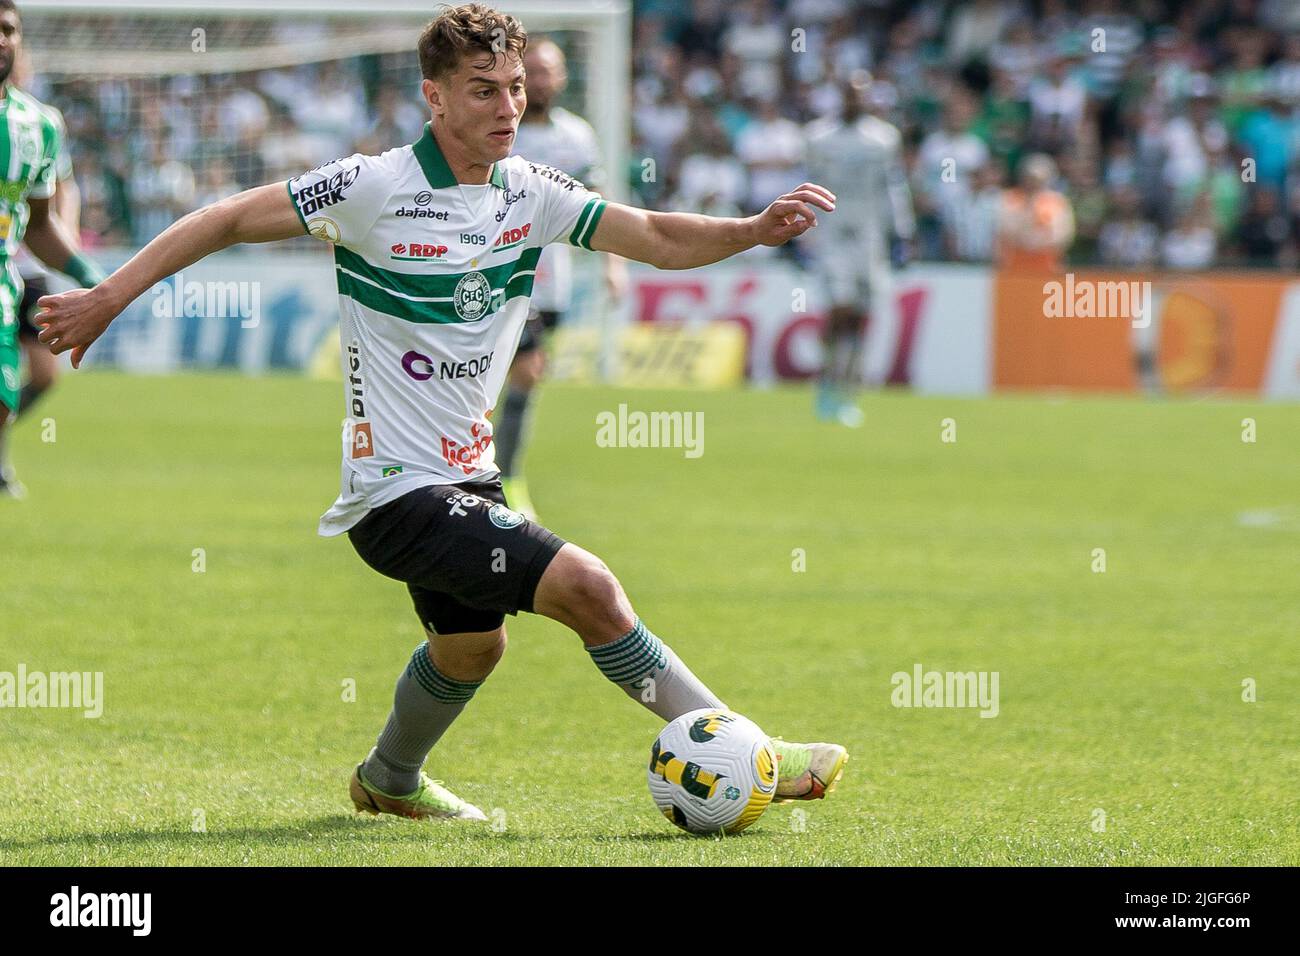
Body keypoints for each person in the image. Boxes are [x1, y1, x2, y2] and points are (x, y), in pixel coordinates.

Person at [37, 3, 848, 821]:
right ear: (434, 98)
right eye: (483, 91)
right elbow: (228, 218)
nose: (508, 109)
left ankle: (388, 779)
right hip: (393, 493)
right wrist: (109, 296)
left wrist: (749, 229)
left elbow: (657, 237)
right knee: (590, 589)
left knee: (470, 647)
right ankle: (757, 752)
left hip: (469, 478)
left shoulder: (531, 191)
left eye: (518, 88)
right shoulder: (373, 186)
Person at [494, 36, 624, 520]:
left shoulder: (577, 136)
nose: (543, 80)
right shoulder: (501, 129)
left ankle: (493, 471)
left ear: (563, 77)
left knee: (523, 376)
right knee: (522, 371)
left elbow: (599, 205)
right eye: (535, 72)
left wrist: (613, 264)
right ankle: (505, 479)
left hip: (553, 280)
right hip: (500, 272)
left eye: (550, 71)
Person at [0, 0, 104, 499]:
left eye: (8, 30)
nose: (2, 41)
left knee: (35, 380)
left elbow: (40, 220)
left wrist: (94, 279)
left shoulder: (36, 127)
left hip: (12, 277)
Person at [802, 70, 914, 427]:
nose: (855, 100)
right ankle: (827, 381)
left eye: (860, 94)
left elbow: (892, 186)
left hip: (869, 237)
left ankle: (849, 390)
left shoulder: (882, 139)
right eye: (849, 94)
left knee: (861, 315)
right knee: (838, 309)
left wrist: (902, 232)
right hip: (833, 235)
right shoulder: (819, 137)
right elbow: (807, 185)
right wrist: (801, 235)